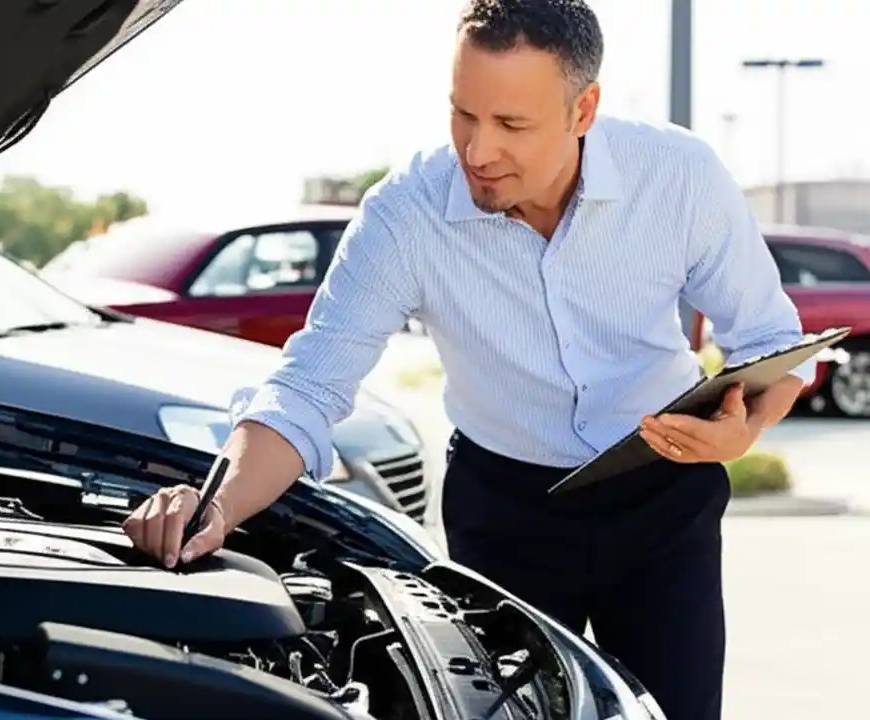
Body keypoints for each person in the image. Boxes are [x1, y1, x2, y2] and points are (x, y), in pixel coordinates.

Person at [123, 1, 810, 718]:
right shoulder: (405, 214)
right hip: (504, 515)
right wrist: (214, 504)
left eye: (512, 125)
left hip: (664, 499)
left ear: (585, 111)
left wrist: (744, 430)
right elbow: (308, 385)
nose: (478, 151)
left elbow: (770, 339)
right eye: (463, 114)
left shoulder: (678, 176)